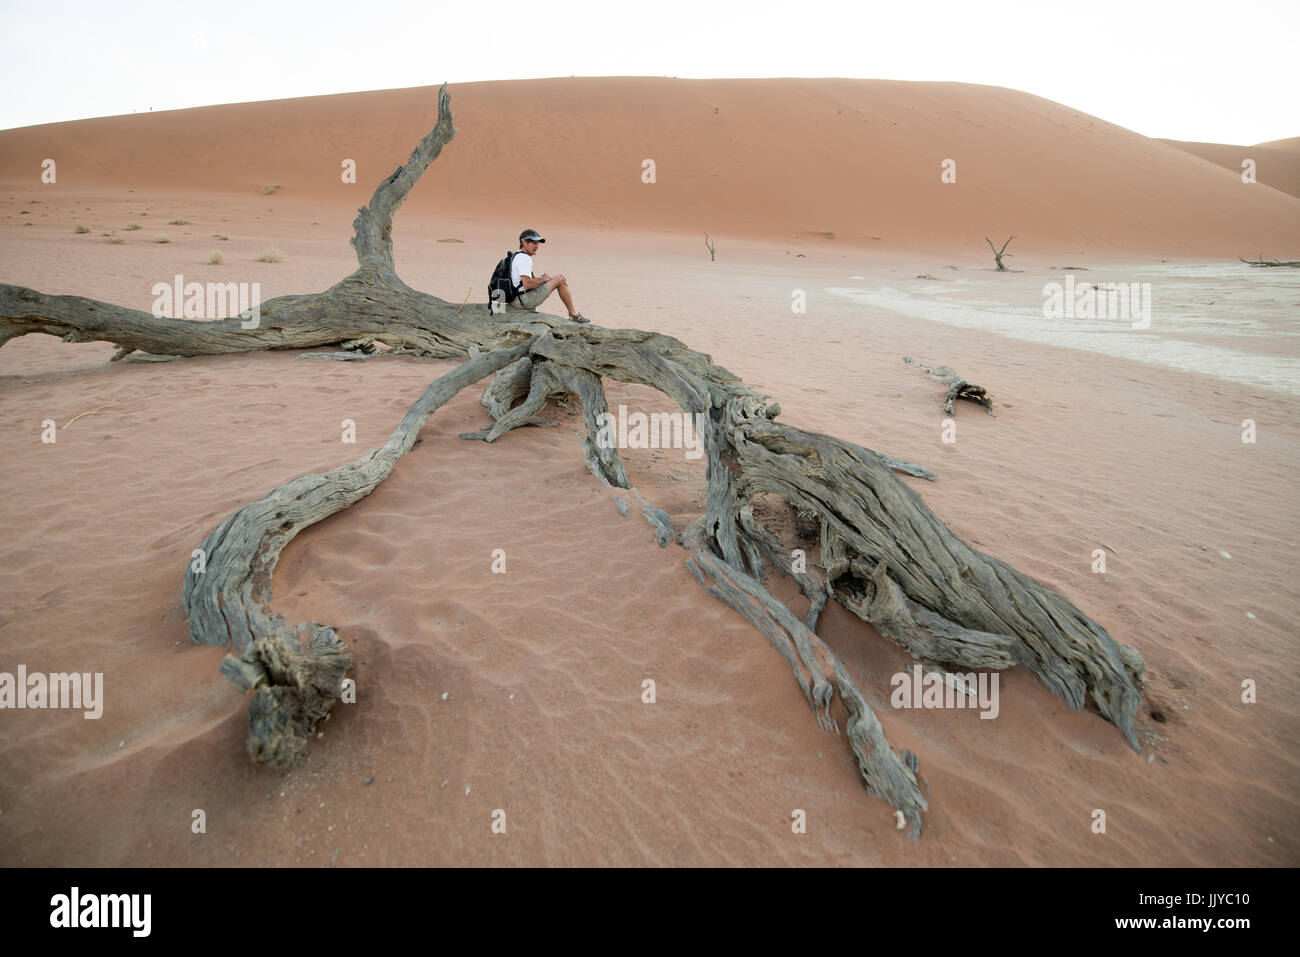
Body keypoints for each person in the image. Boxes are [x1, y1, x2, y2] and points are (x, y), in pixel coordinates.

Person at [510, 229, 589, 323]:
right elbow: (527, 284)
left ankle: (573, 314)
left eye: (538, 243)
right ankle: (573, 315)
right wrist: (545, 279)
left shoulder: (517, 255)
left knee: (556, 279)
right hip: (524, 300)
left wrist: (546, 280)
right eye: (533, 243)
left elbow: (524, 282)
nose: (537, 246)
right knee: (559, 279)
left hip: (516, 299)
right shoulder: (524, 258)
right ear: (524, 242)